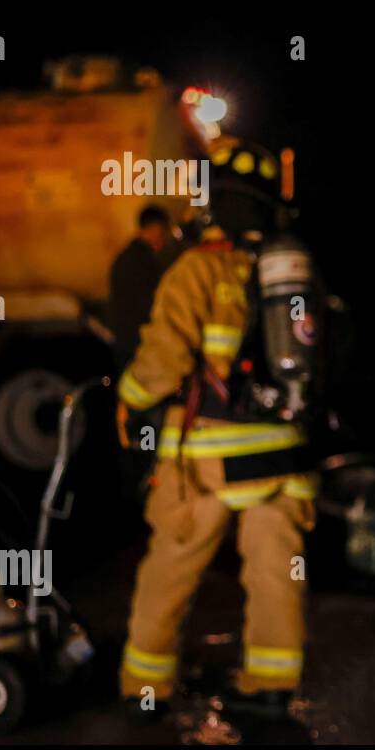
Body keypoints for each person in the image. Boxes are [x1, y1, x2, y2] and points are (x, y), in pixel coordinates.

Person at [115, 140, 317, 719]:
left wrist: (127, 401)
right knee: (276, 570)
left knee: (170, 568)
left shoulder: (197, 269)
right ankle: (273, 684)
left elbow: (164, 361)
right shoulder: (295, 270)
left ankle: (145, 685)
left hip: (207, 460)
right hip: (283, 457)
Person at [109, 204, 171, 371]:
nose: (164, 238)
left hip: (127, 342)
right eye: (163, 231)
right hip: (136, 345)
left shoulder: (128, 257)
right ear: (155, 228)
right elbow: (149, 305)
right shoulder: (140, 262)